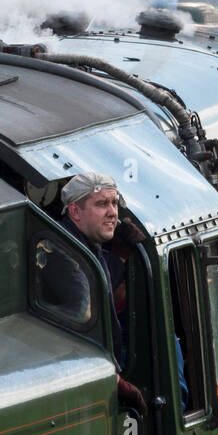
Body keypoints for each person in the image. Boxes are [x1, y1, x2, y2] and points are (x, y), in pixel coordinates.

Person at [57, 172, 145, 411]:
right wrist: (114, 380)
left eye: (114, 203)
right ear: (75, 212)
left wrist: (119, 254)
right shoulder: (67, 260)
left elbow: (102, 284)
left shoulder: (87, 247)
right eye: (102, 204)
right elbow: (81, 334)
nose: (112, 212)